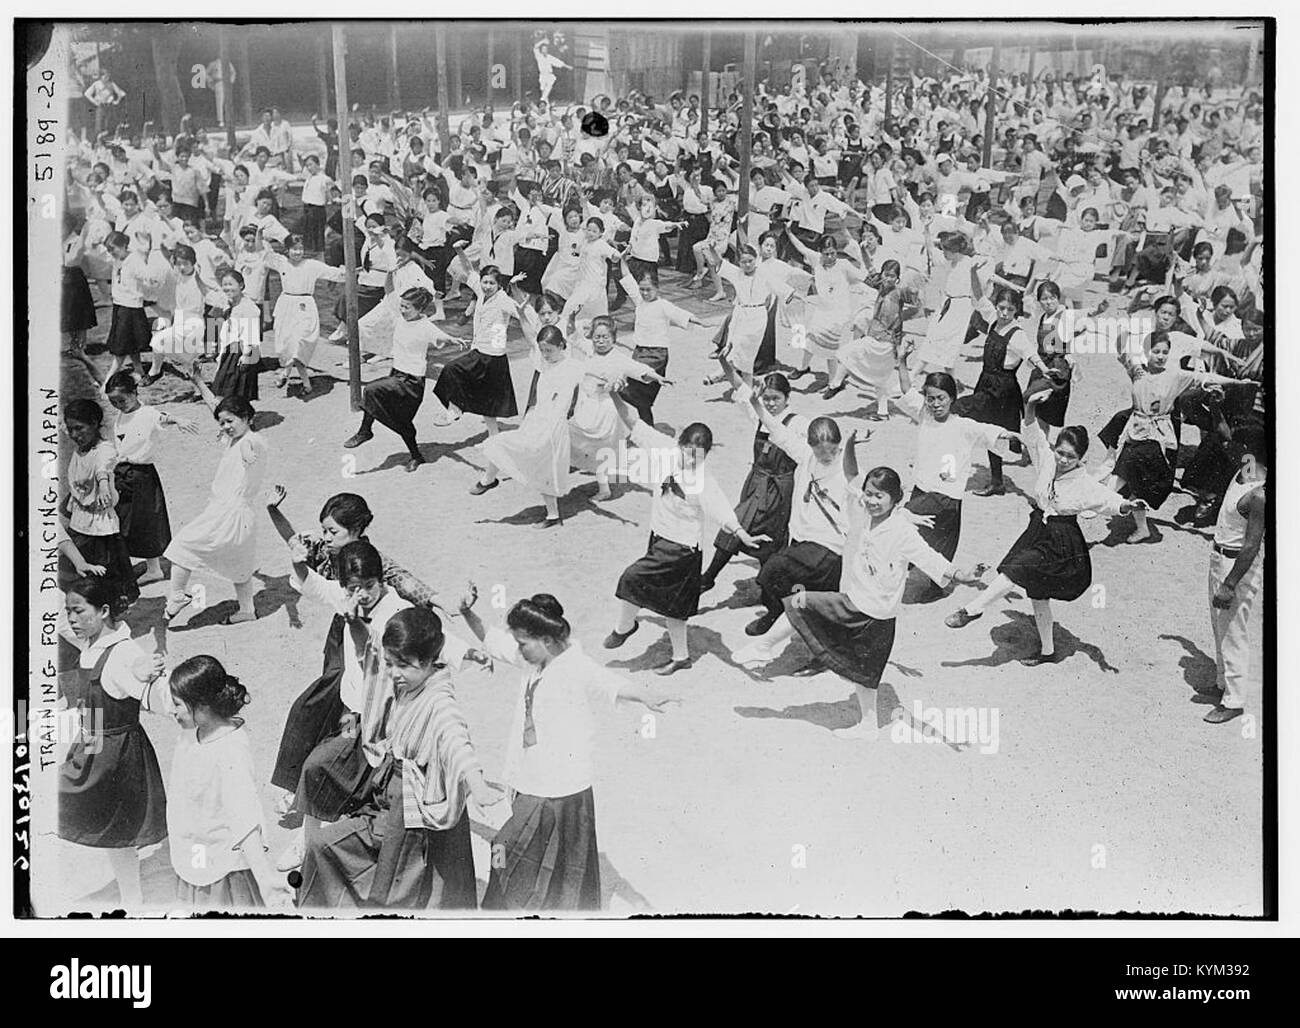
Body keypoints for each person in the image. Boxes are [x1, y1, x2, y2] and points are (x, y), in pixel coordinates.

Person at [734, 457, 983, 737]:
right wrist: (850, 443)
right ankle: (763, 647)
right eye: (869, 494)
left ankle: (867, 725)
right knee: (800, 603)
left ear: (896, 499)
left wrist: (960, 574)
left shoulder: (902, 532)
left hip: (877, 614)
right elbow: (851, 474)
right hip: (855, 603)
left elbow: (930, 558)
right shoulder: (865, 512)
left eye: (880, 496)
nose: (872, 500)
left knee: (866, 676)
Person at [468, 594, 677, 910]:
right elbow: (492, 639)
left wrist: (645, 696)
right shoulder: (532, 657)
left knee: (520, 851)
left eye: (522, 643)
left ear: (547, 640)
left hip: (560, 789)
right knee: (528, 855)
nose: (517, 649)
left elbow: (608, 682)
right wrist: (465, 612)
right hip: (529, 778)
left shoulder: (574, 665)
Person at [297, 607, 503, 910]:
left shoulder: (439, 701)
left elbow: (458, 743)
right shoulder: (408, 680)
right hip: (392, 794)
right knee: (327, 848)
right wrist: (354, 623)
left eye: (403, 665)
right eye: (391, 663)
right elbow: (368, 651)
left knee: (399, 889)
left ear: (430, 660)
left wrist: (479, 787)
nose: (394, 673)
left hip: (414, 808)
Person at [945, 397, 1145, 665]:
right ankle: (1048, 652)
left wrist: (1126, 506)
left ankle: (972, 609)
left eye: (1071, 457)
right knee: (1038, 596)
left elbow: (1107, 499)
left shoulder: (1084, 484)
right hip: (1037, 529)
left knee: (1015, 569)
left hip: (1061, 540)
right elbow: (1033, 434)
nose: (1063, 459)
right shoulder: (1047, 459)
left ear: (1081, 459)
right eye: (1061, 452)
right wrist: (1029, 407)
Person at [605, 396, 771, 674]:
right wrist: (614, 395)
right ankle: (681, 657)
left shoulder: (704, 480)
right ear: (679, 444)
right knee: (674, 607)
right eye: (688, 451)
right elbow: (633, 419)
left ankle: (624, 627)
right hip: (659, 539)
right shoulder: (665, 449)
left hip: (682, 550)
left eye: (699, 455)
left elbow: (722, 510)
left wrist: (743, 535)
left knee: (632, 577)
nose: (692, 459)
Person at [57, 576, 167, 910]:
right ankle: (129, 893)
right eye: (68, 611)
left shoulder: (122, 654)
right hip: (92, 742)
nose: (71, 619)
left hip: (117, 754)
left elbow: (158, 702)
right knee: (104, 826)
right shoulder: (91, 640)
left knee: (116, 831)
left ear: (104, 611)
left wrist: (150, 672)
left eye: (78, 611)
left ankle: (133, 901)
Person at [1106, 329, 1255, 543]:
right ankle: (1136, 524)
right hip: (1136, 433)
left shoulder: (1175, 375)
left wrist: (1239, 383)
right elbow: (1122, 349)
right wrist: (1124, 333)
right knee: (1130, 479)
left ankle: (1102, 501)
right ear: (1146, 353)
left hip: (1158, 437)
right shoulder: (1138, 371)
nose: (1160, 356)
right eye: (1155, 351)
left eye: (1164, 352)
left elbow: (1207, 377)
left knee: (1129, 471)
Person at [166, 655, 287, 909]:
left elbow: (244, 817)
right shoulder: (192, 732)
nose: (171, 711)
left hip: (224, 872)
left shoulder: (230, 750)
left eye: (177, 704)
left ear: (201, 705)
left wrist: (264, 879)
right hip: (195, 853)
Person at [893, 367, 1018, 601]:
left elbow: (987, 431)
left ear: (952, 398)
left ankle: (934, 584)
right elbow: (907, 390)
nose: (935, 404)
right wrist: (901, 361)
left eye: (941, 398)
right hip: (922, 488)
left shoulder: (963, 426)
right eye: (930, 398)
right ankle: (918, 573)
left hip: (946, 495)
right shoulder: (924, 415)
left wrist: (1011, 435)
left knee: (930, 536)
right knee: (926, 535)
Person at [163, 394, 268, 624]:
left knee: (182, 545)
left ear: (247, 417)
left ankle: (178, 595)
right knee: (241, 565)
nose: (225, 427)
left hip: (229, 512)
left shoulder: (251, 441)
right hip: (237, 514)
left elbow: (250, 448)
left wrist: (247, 453)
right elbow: (217, 408)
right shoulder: (235, 437)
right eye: (221, 423)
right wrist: (198, 382)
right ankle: (247, 610)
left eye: (230, 421)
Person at [701, 365, 806, 594]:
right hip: (756, 482)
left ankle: (763, 583)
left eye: (776, 398)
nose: (770, 403)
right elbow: (740, 388)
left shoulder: (798, 423)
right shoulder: (759, 415)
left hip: (779, 487)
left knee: (769, 534)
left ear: (787, 398)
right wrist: (725, 364)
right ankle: (709, 577)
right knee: (738, 523)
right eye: (766, 399)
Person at [343, 287, 459, 473]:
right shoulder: (399, 319)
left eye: (407, 307)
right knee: (399, 418)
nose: (403, 310)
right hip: (396, 375)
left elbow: (442, 336)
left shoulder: (425, 326)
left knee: (373, 392)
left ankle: (366, 432)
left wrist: (454, 340)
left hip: (411, 382)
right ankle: (415, 455)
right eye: (402, 306)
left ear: (419, 309)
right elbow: (389, 292)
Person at [478, 325, 584, 527]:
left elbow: (594, 376)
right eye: (542, 350)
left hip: (554, 427)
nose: (545, 354)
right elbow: (540, 395)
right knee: (504, 444)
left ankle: (552, 515)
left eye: (549, 350)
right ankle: (488, 480)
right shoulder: (545, 364)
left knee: (546, 468)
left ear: (561, 346)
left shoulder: (573, 367)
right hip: (537, 420)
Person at [103, 371, 196, 585]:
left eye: (122, 400)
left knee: (146, 521)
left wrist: (178, 419)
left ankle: (154, 570)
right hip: (122, 473)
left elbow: (162, 417)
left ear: (134, 393)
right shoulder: (121, 416)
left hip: (141, 475)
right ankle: (123, 565)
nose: (118, 405)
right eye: (113, 402)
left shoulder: (147, 413)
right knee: (120, 520)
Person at [1203, 425, 1266, 725]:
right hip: (1219, 558)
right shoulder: (1244, 471)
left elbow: (1251, 546)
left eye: (1239, 446)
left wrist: (1229, 585)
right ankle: (1221, 683)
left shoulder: (1259, 495)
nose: (1231, 449)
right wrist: (1215, 408)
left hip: (1236, 568)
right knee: (1219, 626)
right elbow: (1224, 435)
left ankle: (1234, 700)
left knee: (1233, 633)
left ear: (1251, 452)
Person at [431, 256, 520, 442]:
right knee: (483, 397)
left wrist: (520, 296)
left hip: (493, 356)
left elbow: (520, 312)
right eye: (485, 282)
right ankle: (459, 411)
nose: (487, 286)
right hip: (480, 351)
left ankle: (456, 410)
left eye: (492, 283)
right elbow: (469, 269)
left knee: (454, 371)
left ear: (499, 285)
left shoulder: (503, 300)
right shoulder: (480, 291)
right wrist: (459, 250)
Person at [59, 399, 139, 603]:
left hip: (100, 531)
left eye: (79, 428)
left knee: (104, 582)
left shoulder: (105, 449)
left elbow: (103, 468)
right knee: (76, 577)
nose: (75, 434)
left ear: (94, 423)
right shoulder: (80, 450)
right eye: (70, 429)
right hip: (79, 525)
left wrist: (103, 486)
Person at [614, 256, 704, 424]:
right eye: (642, 289)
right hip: (639, 353)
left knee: (631, 391)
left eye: (648, 290)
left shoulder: (663, 305)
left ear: (657, 288)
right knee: (639, 398)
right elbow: (627, 276)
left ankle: (646, 428)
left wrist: (699, 321)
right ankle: (646, 428)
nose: (644, 293)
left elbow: (680, 314)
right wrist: (622, 259)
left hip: (656, 356)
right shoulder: (639, 301)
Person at [263, 234, 346, 394]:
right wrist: (261, 234)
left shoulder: (311, 265)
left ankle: (286, 372)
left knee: (301, 341)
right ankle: (305, 383)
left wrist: (347, 271)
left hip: (305, 306)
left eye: (300, 248)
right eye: (294, 249)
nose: (297, 252)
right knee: (288, 343)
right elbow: (264, 254)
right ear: (287, 250)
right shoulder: (282, 263)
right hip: (286, 305)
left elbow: (333, 273)